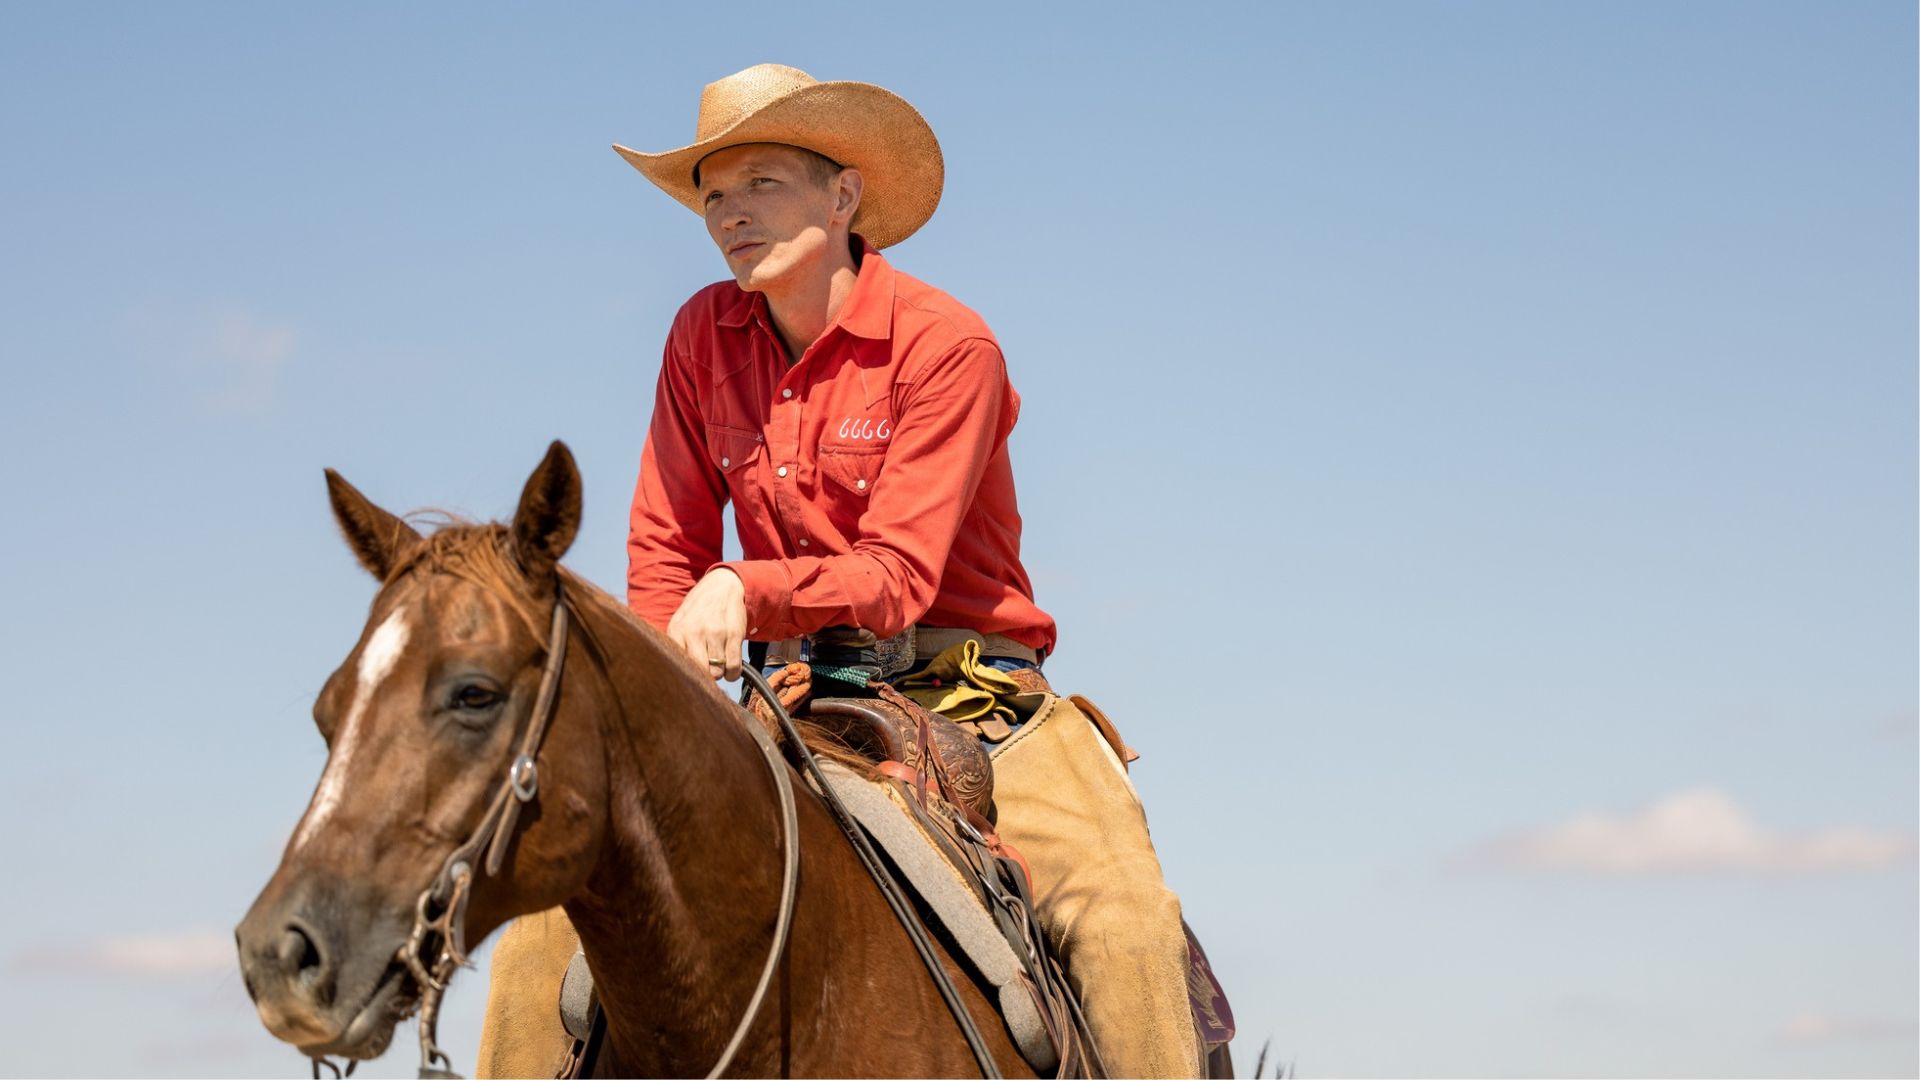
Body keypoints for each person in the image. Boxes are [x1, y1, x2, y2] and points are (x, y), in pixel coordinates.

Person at [476, 63, 1202, 1078]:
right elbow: (663, 551)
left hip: (976, 699)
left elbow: (898, 575)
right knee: (544, 937)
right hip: (785, 696)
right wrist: (663, 694)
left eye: (761, 183)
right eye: (713, 196)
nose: (730, 215)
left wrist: (744, 588)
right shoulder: (700, 334)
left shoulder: (948, 344)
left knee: (1124, 927)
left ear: (844, 194)